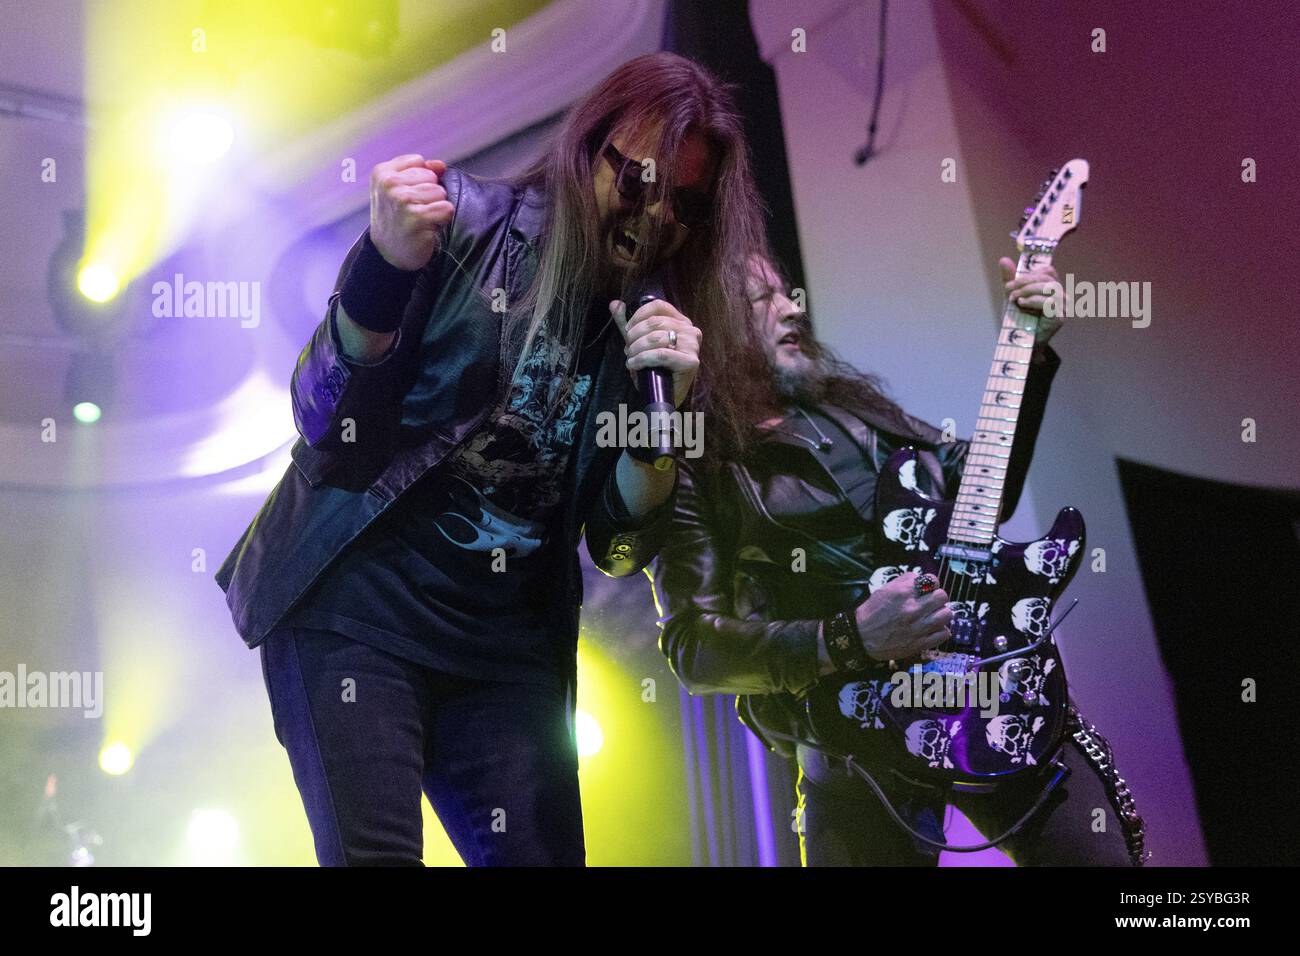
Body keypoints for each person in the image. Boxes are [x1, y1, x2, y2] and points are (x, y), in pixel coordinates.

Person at [216, 52, 772, 866]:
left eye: (684, 205)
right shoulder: (464, 224)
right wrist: (378, 270)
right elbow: (325, 423)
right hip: (359, 611)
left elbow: (617, 546)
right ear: (591, 149)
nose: (655, 219)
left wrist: (666, 425)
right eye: (642, 182)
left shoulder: (651, 331)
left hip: (505, 651)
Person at [652, 253, 1146, 866]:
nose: (791, 308)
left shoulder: (853, 410)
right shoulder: (696, 460)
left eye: (787, 292)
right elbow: (695, 648)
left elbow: (983, 489)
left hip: (990, 686)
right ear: (710, 324)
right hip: (852, 739)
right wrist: (849, 636)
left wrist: (1031, 353)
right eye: (762, 299)